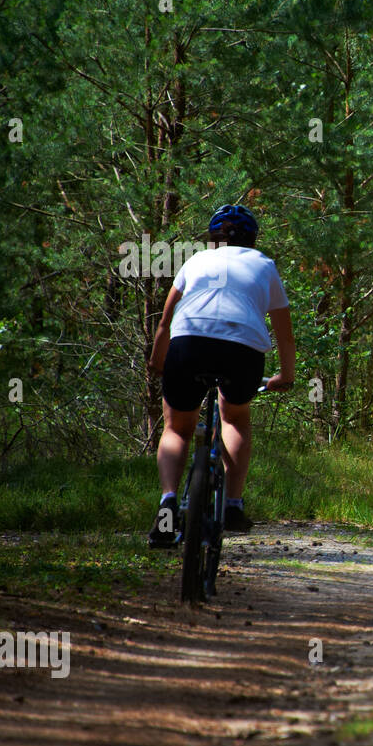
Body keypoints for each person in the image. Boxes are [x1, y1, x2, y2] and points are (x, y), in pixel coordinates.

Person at [147, 204, 296, 546]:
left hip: (188, 344)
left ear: (212, 239)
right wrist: (285, 377)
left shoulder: (196, 260)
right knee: (235, 418)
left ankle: (168, 506)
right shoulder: (264, 265)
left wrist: (158, 361)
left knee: (177, 428)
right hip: (241, 351)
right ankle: (232, 504)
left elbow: (165, 323)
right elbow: (284, 335)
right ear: (252, 240)